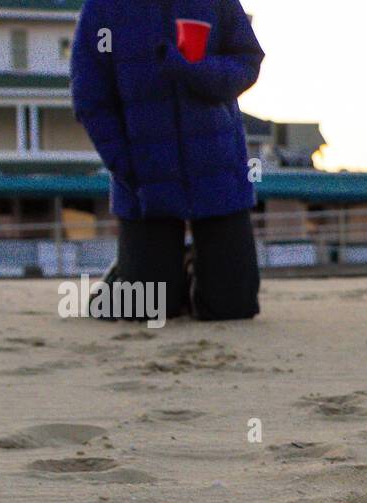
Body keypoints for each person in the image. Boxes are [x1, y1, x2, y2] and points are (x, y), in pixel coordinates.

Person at [71, 0, 265, 322]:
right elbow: (90, 99)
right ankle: (124, 280)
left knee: (234, 309)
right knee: (146, 310)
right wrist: (125, 166)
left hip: (217, 172)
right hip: (144, 183)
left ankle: (187, 268)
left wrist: (193, 69)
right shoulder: (103, 9)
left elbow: (247, 62)